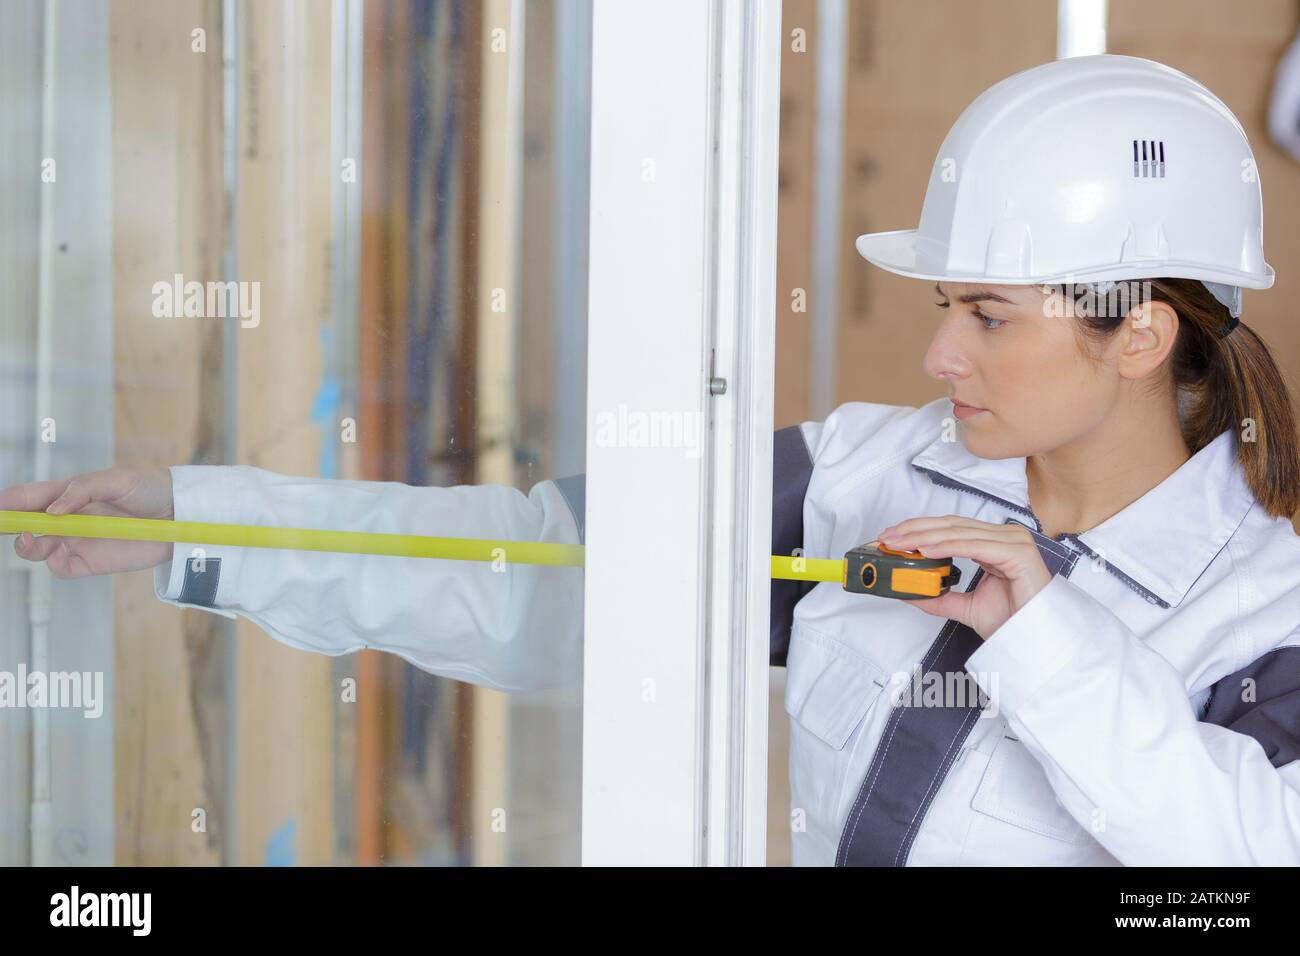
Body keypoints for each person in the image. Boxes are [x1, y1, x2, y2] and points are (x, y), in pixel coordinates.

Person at [5, 54, 1300, 866]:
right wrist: (198, 523)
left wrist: (1049, 638)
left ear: (1139, 336)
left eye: (989, 317)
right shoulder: (867, 478)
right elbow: (536, 574)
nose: (938, 355)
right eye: (944, 305)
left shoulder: (1263, 623)